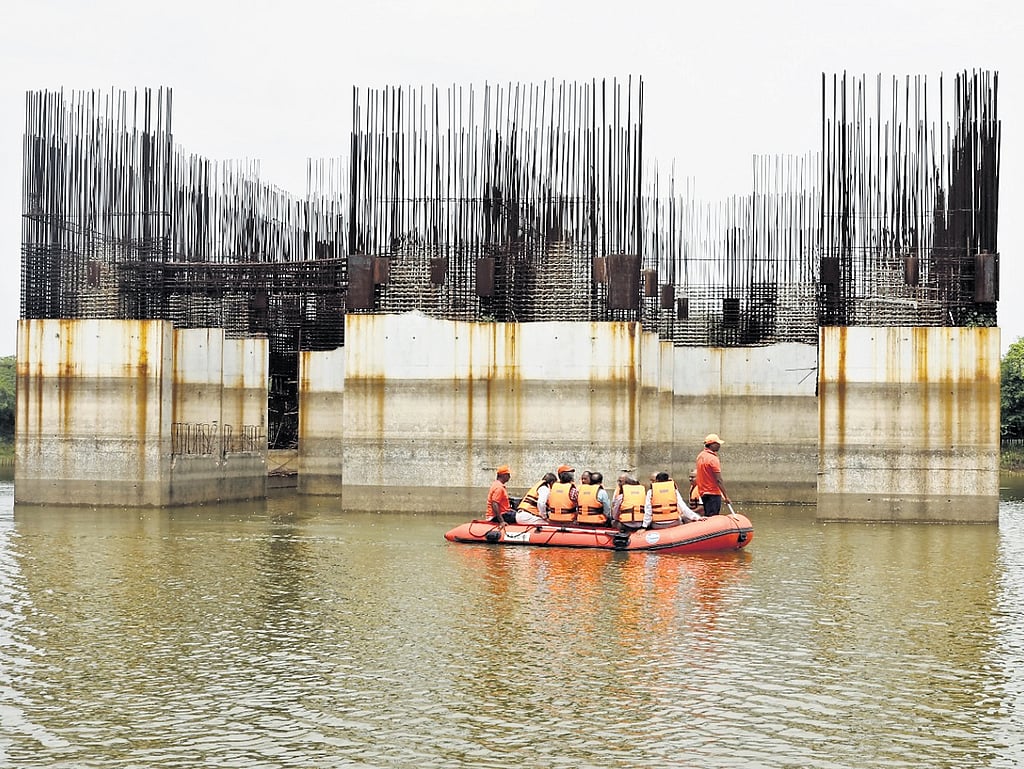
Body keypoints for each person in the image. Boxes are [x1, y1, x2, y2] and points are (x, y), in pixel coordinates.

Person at [696, 433, 730, 516]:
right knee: (713, 516)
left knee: (708, 514)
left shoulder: (700, 456)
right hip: (713, 493)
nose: (719, 446)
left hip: (703, 493)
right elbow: (719, 480)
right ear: (711, 445)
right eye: (717, 444)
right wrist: (726, 496)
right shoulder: (713, 459)